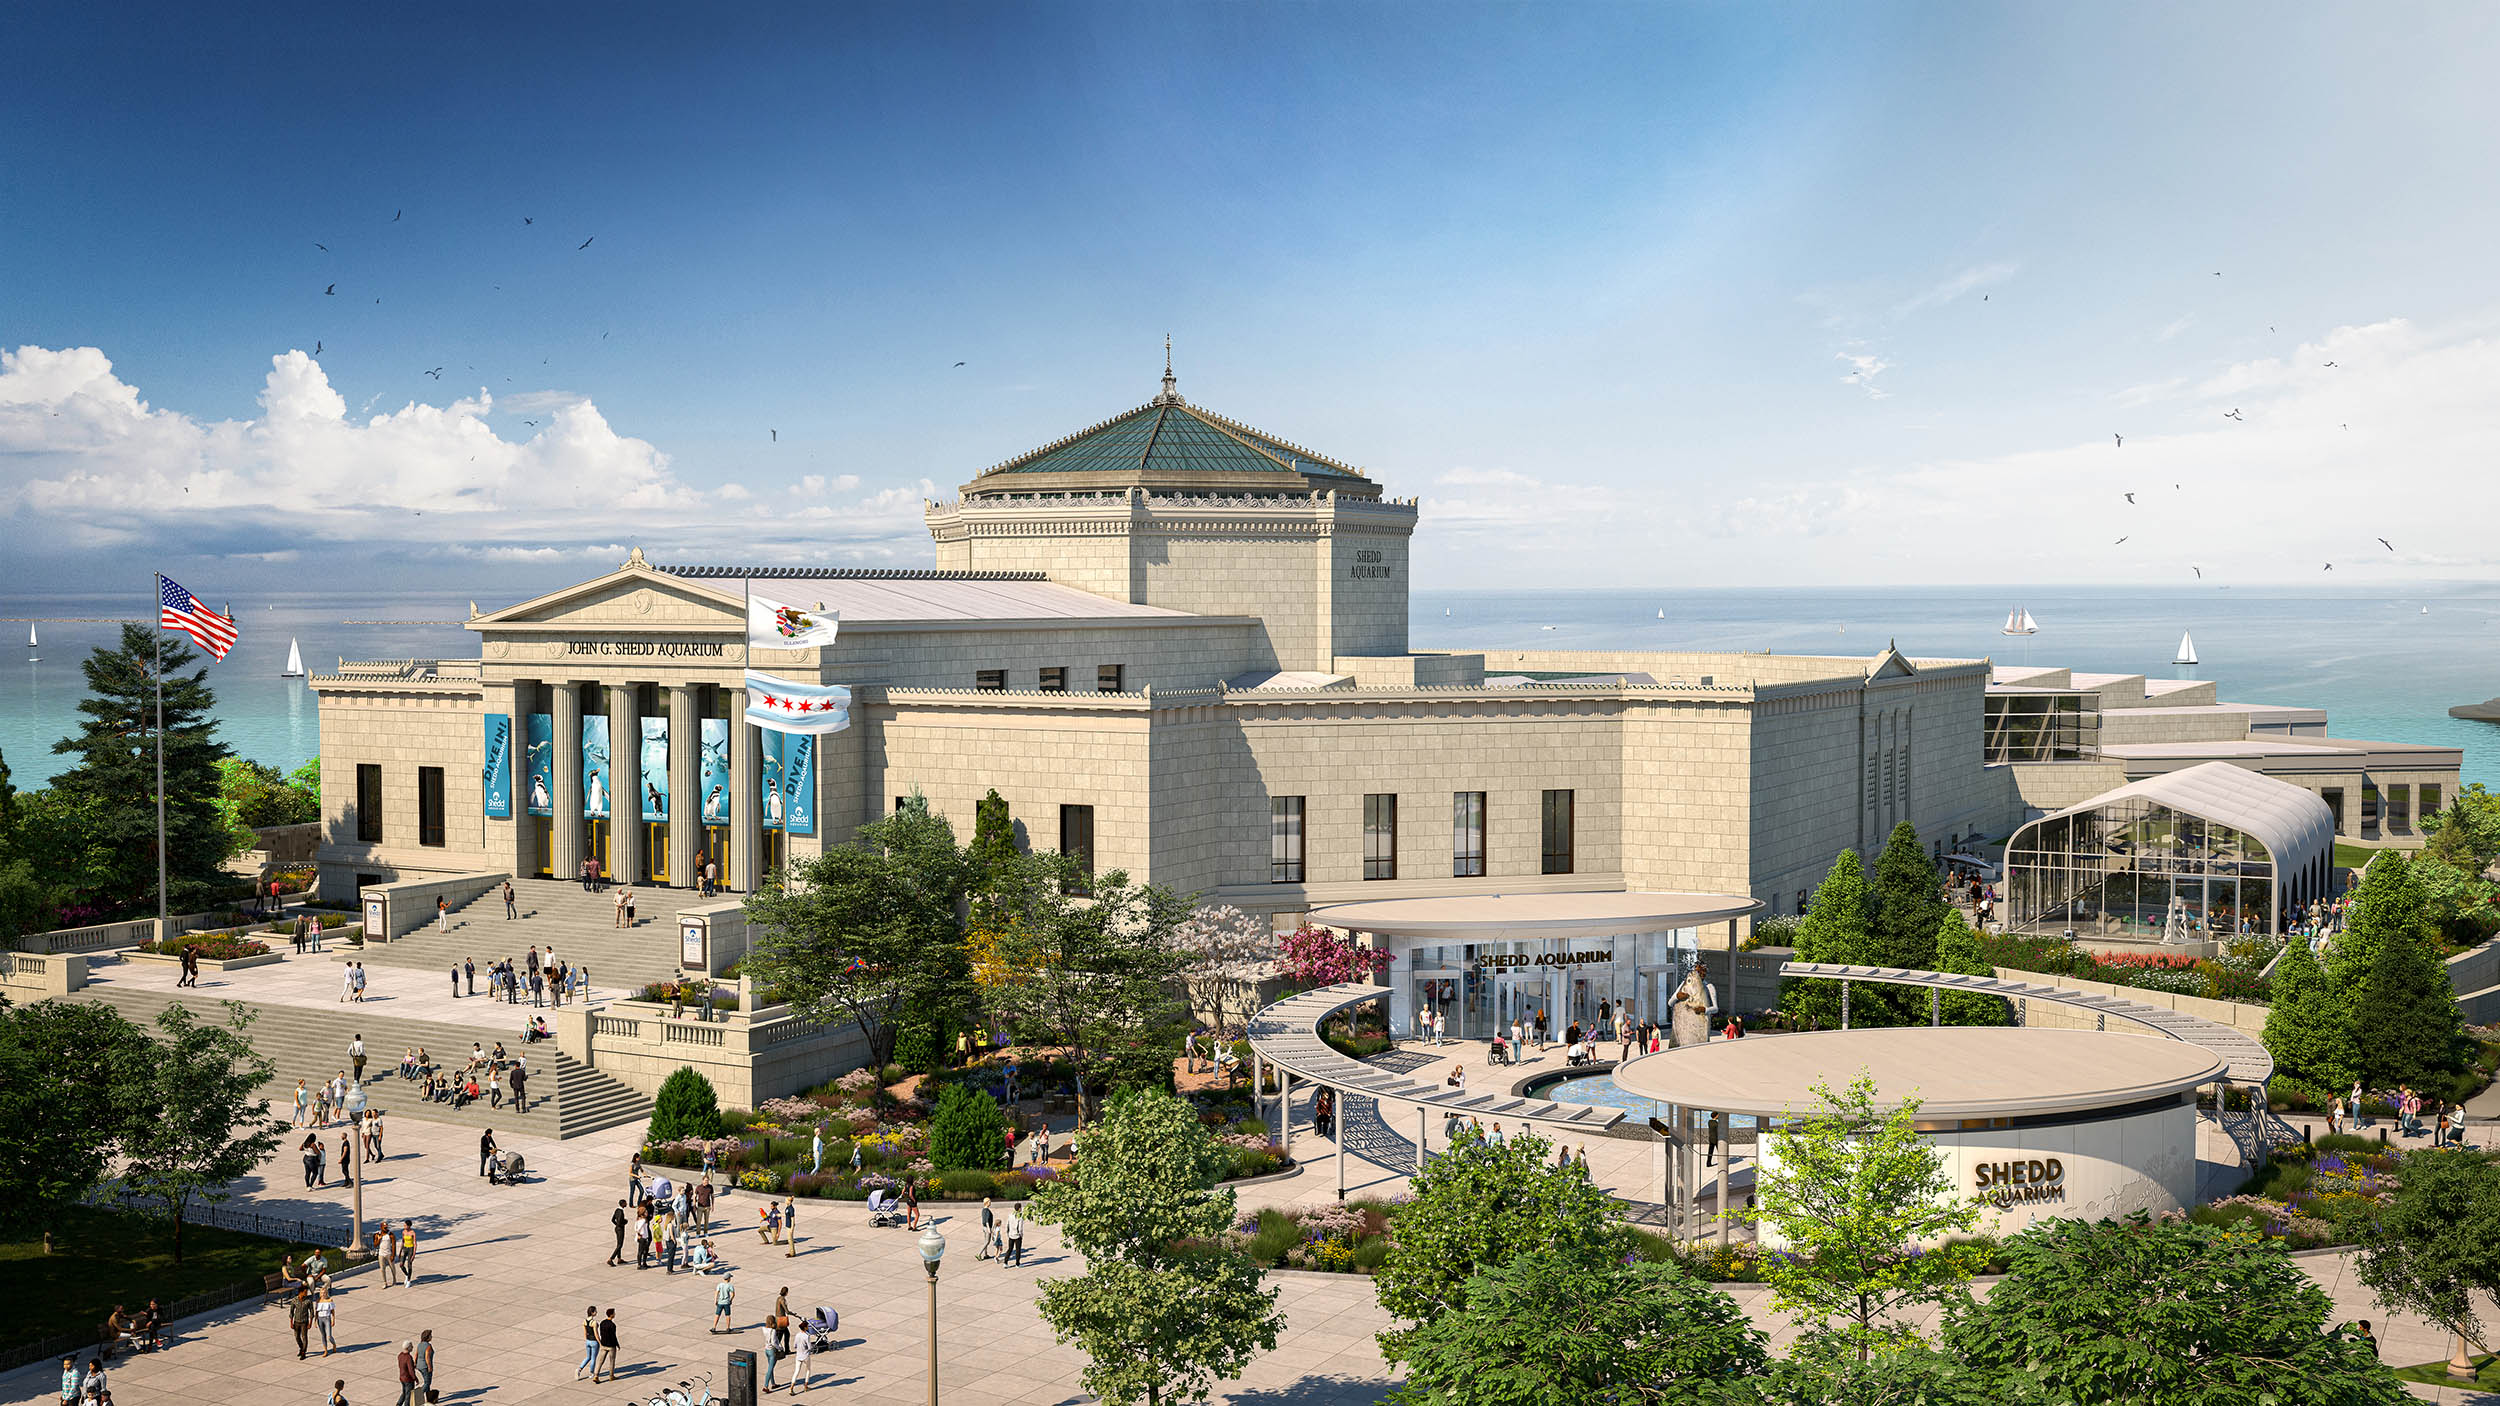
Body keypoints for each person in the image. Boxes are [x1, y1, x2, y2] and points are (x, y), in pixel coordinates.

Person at [594, 1308, 620, 1383]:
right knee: (612, 1361)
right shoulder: (612, 1325)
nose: (615, 1314)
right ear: (611, 1315)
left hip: (603, 1344)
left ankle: (596, 1376)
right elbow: (613, 1336)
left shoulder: (602, 1323)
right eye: (614, 1313)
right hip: (611, 1346)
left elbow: (601, 1333)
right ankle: (611, 1376)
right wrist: (617, 1344)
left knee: (600, 1361)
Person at [288, 1290, 314, 1360]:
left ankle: (303, 1352)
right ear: (300, 1292)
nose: (306, 1293)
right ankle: (301, 1347)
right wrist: (291, 1322)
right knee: (297, 1337)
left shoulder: (308, 1301)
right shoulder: (294, 1300)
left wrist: (310, 1323)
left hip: (304, 1322)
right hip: (296, 1322)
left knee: (304, 1337)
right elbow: (291, 1312)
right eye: (305, 1292)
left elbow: (311, 1312)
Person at [312, 1287, 336, 1355]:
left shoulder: (330, 1300)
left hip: (327, 1318)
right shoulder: (318, 1301)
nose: (323, 1294)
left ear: (326, 1293)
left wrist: (333, 1320)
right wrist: (315, 1321)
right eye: (322, 1293)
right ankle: (325, 1350)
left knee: (329, 1336)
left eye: (324, 1293)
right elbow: (316, 1312)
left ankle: (334, 1344)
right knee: (323, 1335)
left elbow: (333, 1311)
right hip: (320, 1319)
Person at [414, 1330, 434, 1403]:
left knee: (427, 1382)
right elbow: (427, 1357)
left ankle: (429, 1399)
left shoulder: (419, 1344)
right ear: (427, 1337)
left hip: (419, 1365)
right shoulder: (428, 1346)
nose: (431, 1337)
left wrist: (415, 1363)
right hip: (425, 1366)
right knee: (427, 1383)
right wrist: (429, 1367)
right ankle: (417, 1396)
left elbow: (416, 1354)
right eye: (430, 1335)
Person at [609, 1200, 629, 1266]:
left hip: (617, 1228)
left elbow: (612, 1220)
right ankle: (611, 1259)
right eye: (625, 1203)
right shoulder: (621, 1212)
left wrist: (616, 1225)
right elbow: (620, 1221)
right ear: (622, 1204)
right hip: (620, 1229)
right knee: (620, 1245)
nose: (626, 1203)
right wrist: (625, 1222)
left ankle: (619, 1259)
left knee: (618, 1244)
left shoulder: (617, 1210)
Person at [978, 1195, 997, 1260]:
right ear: (987, 1202)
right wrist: (989, 1229)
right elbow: (986, 1221)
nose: (990, 1203)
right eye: (990, 1201)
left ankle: (985, 1254)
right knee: (987, 1242)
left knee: (985, 1241)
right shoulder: (987, 1211)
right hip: (987, 1228)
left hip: (984, 1227)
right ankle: (979, 1254)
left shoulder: (984, 1210)